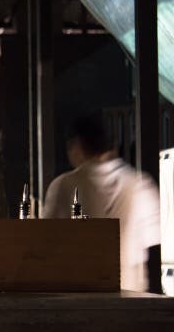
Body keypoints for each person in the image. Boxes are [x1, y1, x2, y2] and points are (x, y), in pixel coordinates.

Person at [42, 115, 160, 292]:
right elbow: (153, 240)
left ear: (77, 146)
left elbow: (46, 243)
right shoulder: (140, 184)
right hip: (133, 301)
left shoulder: (63, 186)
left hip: (80, 300)